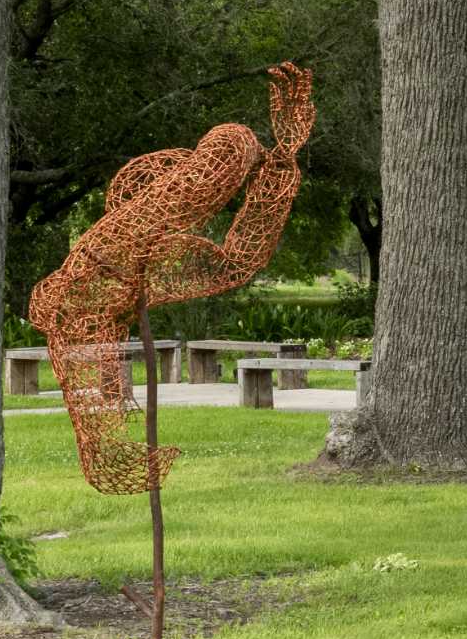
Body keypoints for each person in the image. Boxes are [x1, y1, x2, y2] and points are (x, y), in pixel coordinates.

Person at [29, 63, 313, 495]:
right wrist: (265, 158)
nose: (222, 177)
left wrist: (282, 159)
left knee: (108, 451)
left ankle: (112, 460)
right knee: (106, 449)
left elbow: (239, 258)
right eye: (223, 162)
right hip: (87, 287)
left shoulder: (167, 235)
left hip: (106, 288)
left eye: (235, 167)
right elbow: (144, 192)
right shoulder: (160, 186)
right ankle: (111, 459)